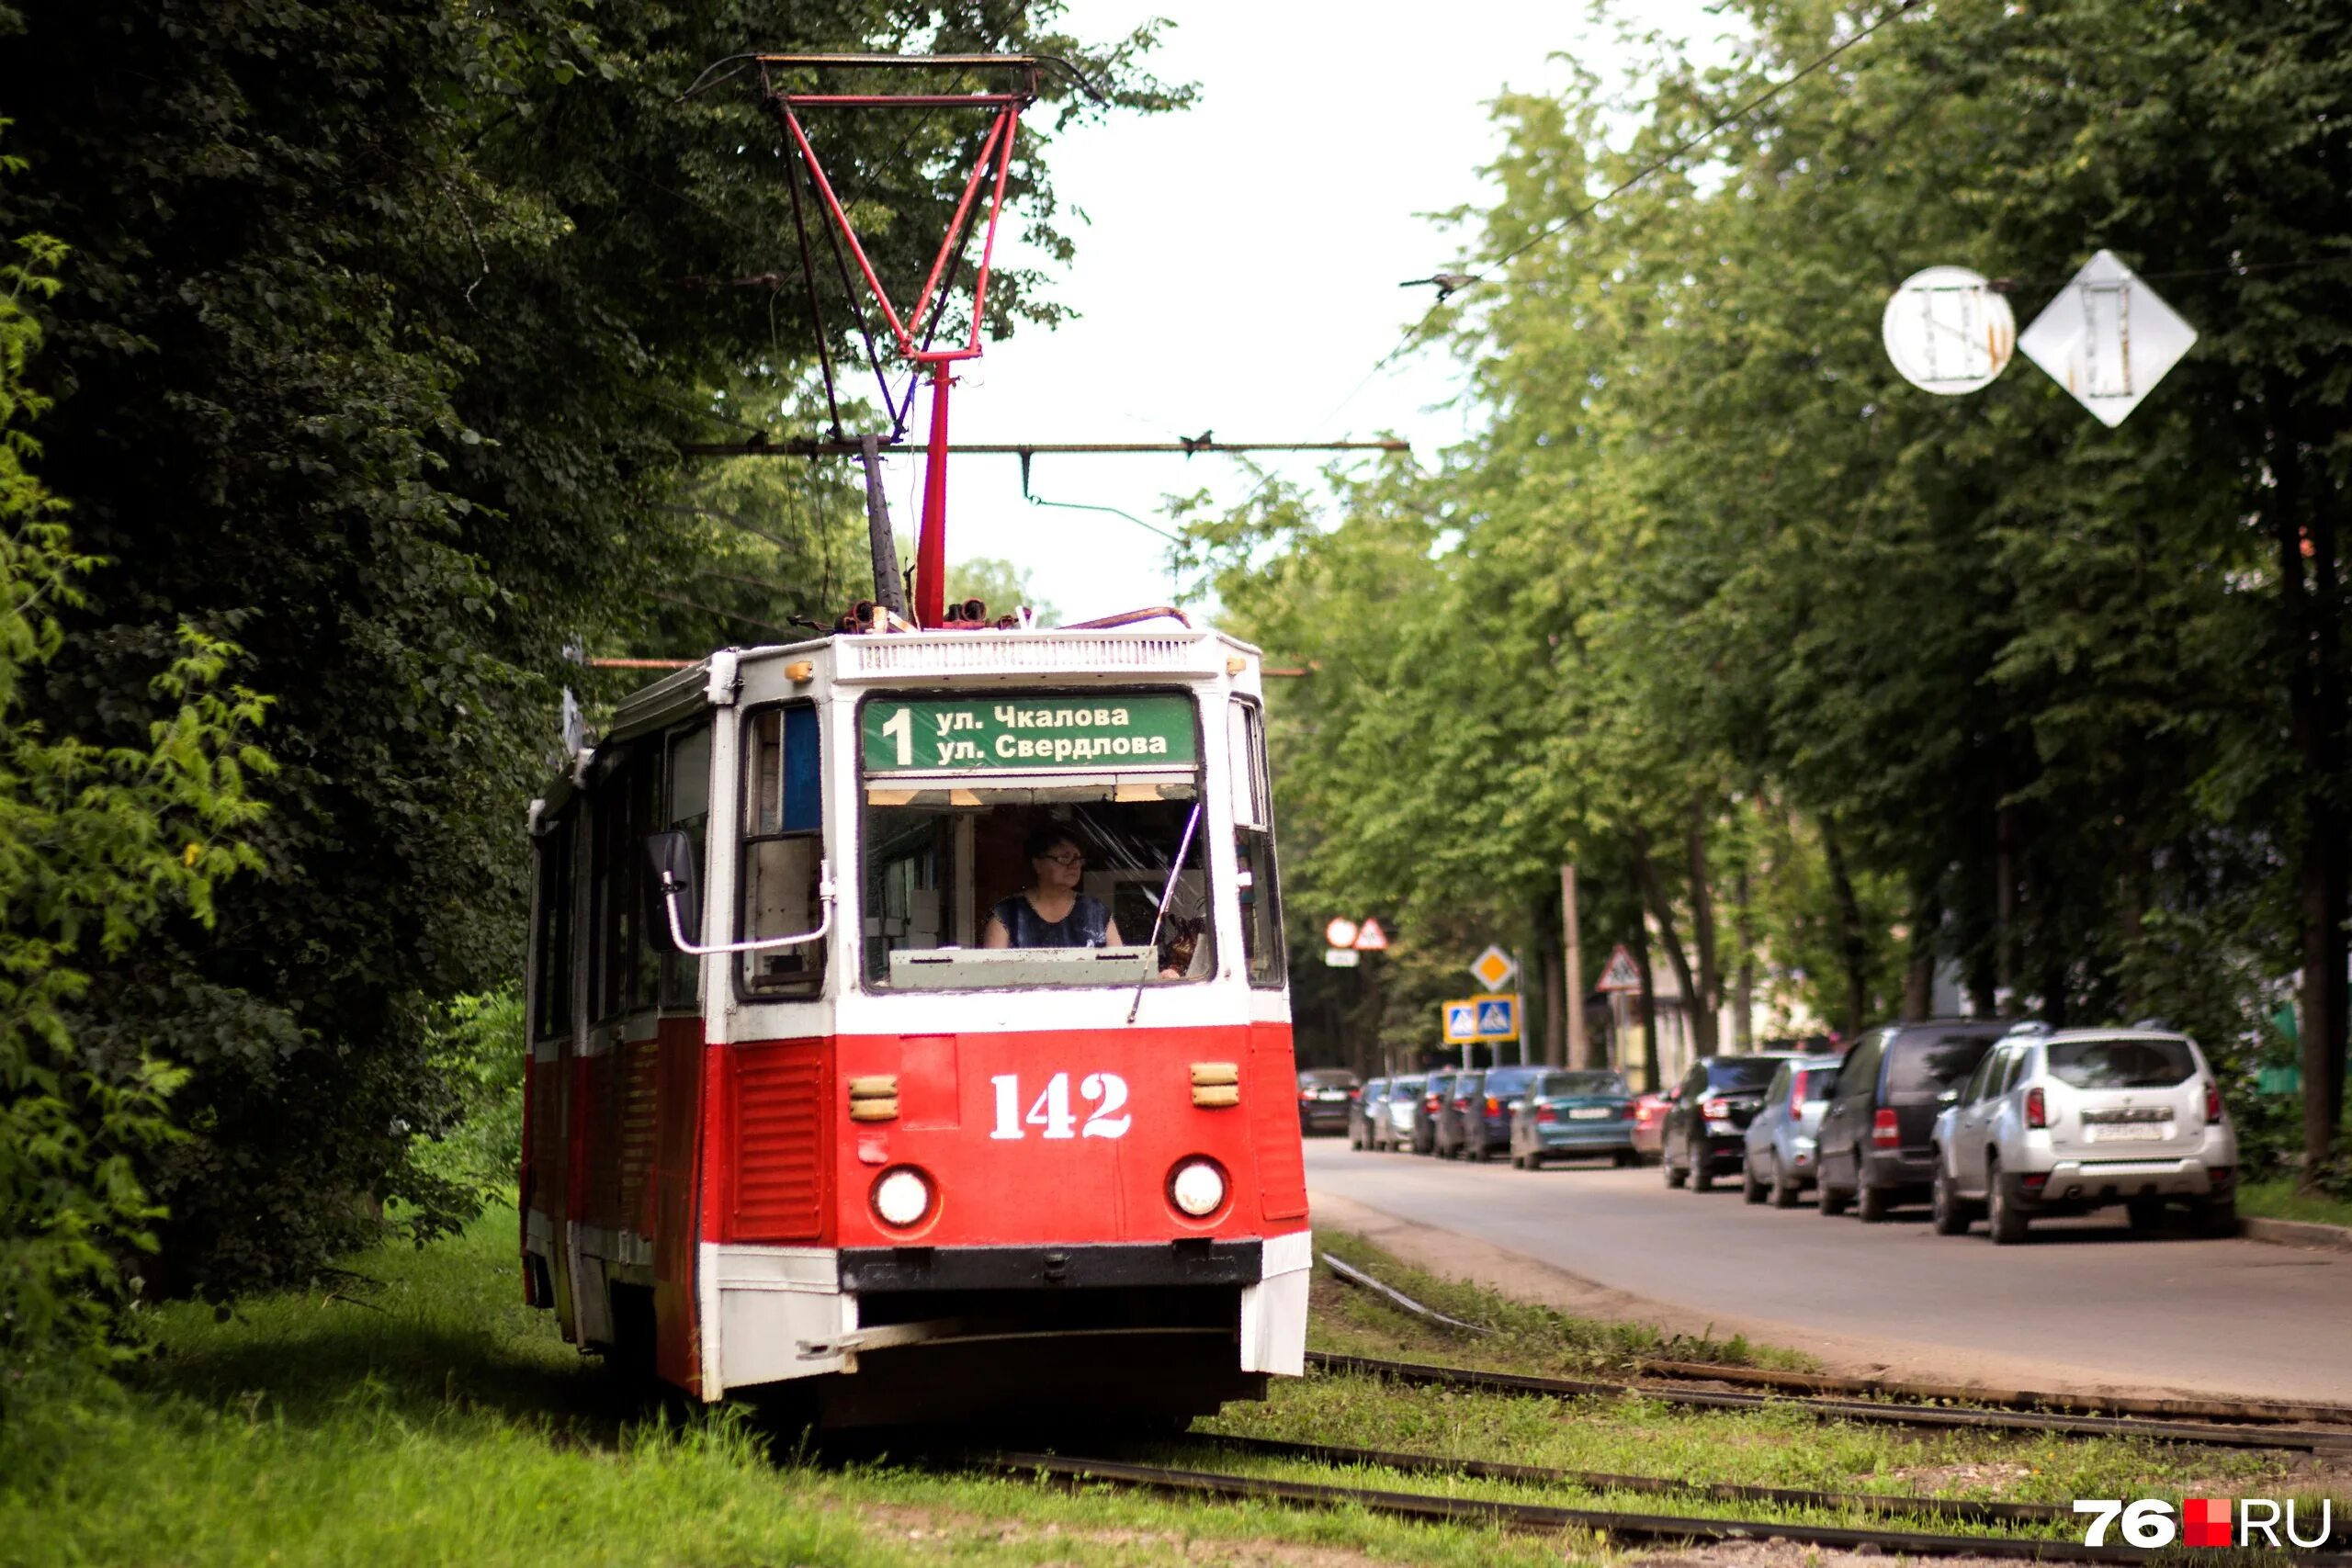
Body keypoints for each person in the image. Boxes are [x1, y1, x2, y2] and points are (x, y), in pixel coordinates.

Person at [982, 827, 1127, 949]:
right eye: (1065, 857)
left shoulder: (1096, 912)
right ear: (1037, 864)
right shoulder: (1009, 915)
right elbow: (992, 974)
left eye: (1077, 858)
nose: (1074, 864)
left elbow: (1120, 969)